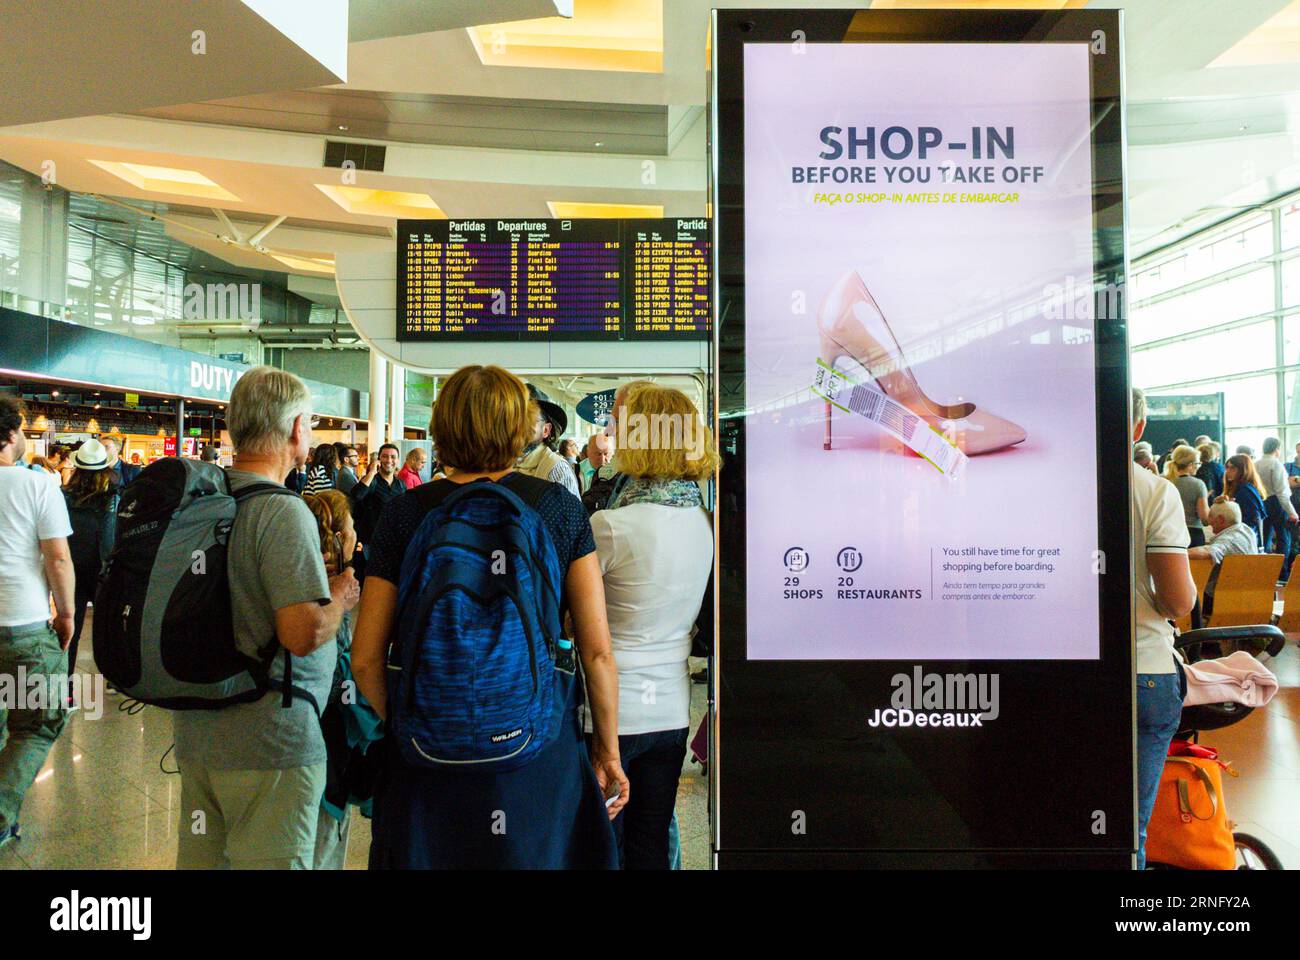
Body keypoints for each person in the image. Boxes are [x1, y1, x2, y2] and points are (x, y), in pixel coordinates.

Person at [351, 364, 627, 869]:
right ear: (520, 428)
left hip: (425, 766)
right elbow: (597, 652)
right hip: (536, 753)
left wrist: (419, 719)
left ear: (441, 428)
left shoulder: (404, 513)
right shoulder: (559, 509)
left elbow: (366, 658)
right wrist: (607, 751)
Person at [172, 367, 360, 870]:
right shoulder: (283, 511)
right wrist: (341, 598)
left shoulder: (200, 504)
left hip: (197, 732)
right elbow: (301, 633)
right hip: (270, 742)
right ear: (296, 428)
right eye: (311, 424)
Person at [586, 384, 717, 869]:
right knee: (651, 845)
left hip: (610, 711)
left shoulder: (610, 526)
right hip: (671, 709)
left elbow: (577, 623)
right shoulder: (705, 524)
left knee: (604, 847)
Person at [0, 396, 74, 848]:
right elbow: (57, 558)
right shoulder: (37, 485)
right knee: (37, 724)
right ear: (10, 434)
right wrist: (66, 613)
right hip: (23, 625)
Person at [1129, 388, 1195, 870]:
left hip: (1054, 666)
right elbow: (1177, 601)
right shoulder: (1153, 491)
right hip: (1143, 669)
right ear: (1138, 428)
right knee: (1126, 828)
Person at [302, 489, 381, 870]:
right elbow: (332, 676)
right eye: (351, 527)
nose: (356, 535)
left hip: (306, 740)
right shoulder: (333, 592)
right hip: (323, 747)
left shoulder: (301, 579)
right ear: (337, 536)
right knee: (322, 846)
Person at [61, 439, 119, 690]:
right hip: (100, 570)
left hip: (71, 568)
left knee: (69, 628)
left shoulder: (64, 495)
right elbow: (109, 538)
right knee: (107, 630)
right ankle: (114, 680)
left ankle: (65, 687)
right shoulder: (111, 497)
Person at [1188, 500, 1258, 620]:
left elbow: (1211, 551)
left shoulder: (1229, 540)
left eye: (1210, 517)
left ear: (1220, 519)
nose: (1208, 522)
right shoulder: (1246, 530)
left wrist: (1176, 554)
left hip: (1221, 599)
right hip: (1250, 597)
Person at [517, 383, 580, 499]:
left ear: (546, 430)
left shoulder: (556, 469)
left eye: (528, 418)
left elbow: (572, 511)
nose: (517, 425)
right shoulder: (500, 463)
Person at [1254, 437, 1297, 577]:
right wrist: (1292, 512)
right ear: (1277, 449)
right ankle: (1282, 572)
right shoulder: (1276, 464)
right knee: (1284, 538)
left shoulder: (1256, 464)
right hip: (1277, 503)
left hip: (1262, 502)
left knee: (1264, 538)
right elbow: (1282, 492)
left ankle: (1266, 572)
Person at [349, 442, 404, 551]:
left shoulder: (400, 484)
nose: (389, 460)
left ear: (397, 460)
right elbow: (356, 496)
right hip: (369, 542)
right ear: (378, 460)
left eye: (393, 457)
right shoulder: (371, 481)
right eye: (385, 456)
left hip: (392, 540)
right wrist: (372, 472)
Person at [1164, 444, 1210, 547]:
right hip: (1193, 534)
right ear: (1190, 465)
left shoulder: (1164, 482)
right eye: (1197, 463)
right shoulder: (1198, 484)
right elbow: (1205, 519)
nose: (1199, 466)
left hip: (1169, 534)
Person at [1217, 454, 1267, 547]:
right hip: (1241, 539)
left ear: (1243, 470)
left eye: (1232, 468)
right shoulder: (1238, 488)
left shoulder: (1246, 490)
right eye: (1227, 467)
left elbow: (1253, 519)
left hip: (1245, 541)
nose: (1228, 471)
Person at [582, 432, 620, 514]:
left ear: (612, 453)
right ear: (588, 453)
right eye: (598, 454)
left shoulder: (618, 474)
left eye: (606, 454)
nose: (602, 459)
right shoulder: (577, 471)